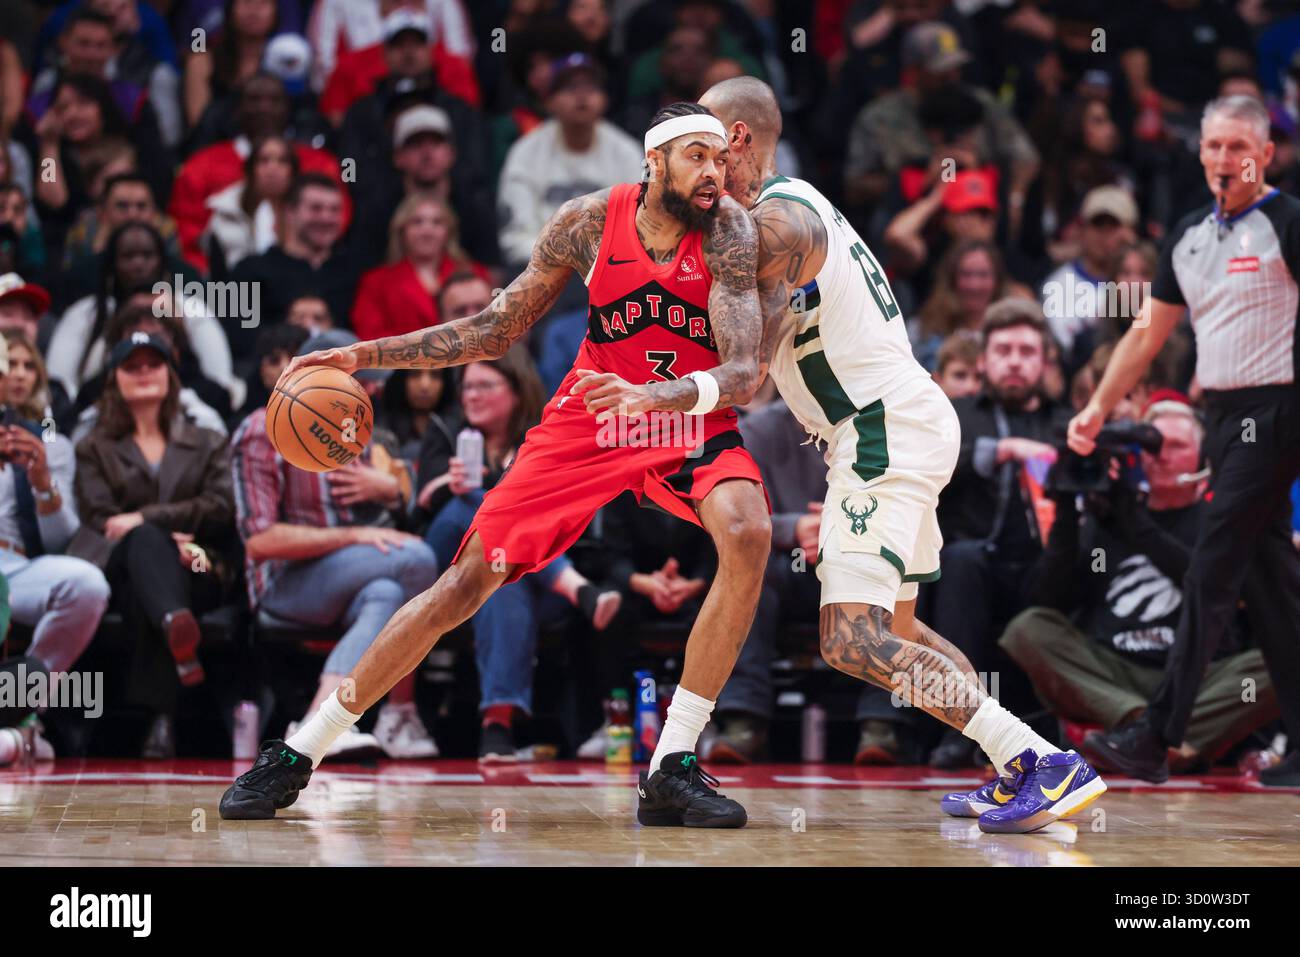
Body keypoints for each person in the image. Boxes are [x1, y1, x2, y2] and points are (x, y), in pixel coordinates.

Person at [221, 102, 771, 827]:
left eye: (717, 156)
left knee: (749, 530)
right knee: (464, 582)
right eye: (695, 157)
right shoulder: (586, 222)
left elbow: (743, 374)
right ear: (654, 163)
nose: (713, 172)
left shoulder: (729, 229)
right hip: (593, 415)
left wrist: (655, 395)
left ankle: (671, 765)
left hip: (681, 411)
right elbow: (492, 328)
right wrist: (365, 354)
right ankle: (302, 748)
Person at [699, 75, 1104, 833]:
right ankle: (1023, 764)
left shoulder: (778, 220)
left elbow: (745, 377)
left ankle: (1045, 760)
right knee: (903, 629)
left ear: (740, 140)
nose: (698, 166)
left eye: (705, 146)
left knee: (850, 638)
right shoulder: (792, 208)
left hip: (878, 429)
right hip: (902, 418)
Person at [1069, 95, 1300, 787]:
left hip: (1280, 408)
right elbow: (1146, 333)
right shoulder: (1190, 235)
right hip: (1224, 420)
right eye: (1214, 147)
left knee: (1211, 562)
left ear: (1265, 154)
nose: (1225, 159)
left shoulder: (1288, 220)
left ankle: (1156, 734)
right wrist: (1097, 408)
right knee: (1272, 585)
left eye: (1239, 147)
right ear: (1198, 153)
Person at [1004, 397, 1280, 772]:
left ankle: (1149, 737)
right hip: (1112, 674)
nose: (1161, 456)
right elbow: (1051, 598)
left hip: (1199, 677)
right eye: (1151, 447)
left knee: (1283, 654)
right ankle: (1154, 734)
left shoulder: (1221, 520)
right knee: (1028, 629)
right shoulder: (1110, 516)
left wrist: (1140, 528)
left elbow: (1216, 589)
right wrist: (1068, 513)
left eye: (1177, 446)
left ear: (1203, 457)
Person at [418, 349, 621, 760]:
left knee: (500, 581)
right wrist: (449, 482)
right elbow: (418, 504)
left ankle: (498, 726)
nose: (471, 396)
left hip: (515, 569)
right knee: (472, 505)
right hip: (443, 563)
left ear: (515, 390)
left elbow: (560, 512)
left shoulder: (541, 436)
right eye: (468, 387)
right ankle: (577, 588)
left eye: (485, 386)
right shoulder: (445, 429)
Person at [72, 332, 235, 757]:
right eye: (132, 366)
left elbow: (222, 507)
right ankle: (169, 694)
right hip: (124, 567)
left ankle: (156, 708)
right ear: (114, 379)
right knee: (145, 548)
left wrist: (149, 519)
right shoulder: (94, 447)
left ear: (170, 374)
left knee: (150, 549)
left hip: (198, 560)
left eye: (153, 364)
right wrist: (156, 533)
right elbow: (100, 518)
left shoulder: (208, 441)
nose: (144, 372)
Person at [0, 334, 110, 758]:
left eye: (30, 367)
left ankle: (24, 712)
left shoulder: (53, 445)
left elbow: (61, 539)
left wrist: (45, 485)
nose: (19, 375)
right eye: (10, 363)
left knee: (87, 583)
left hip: (15, 561)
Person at [350, 192, 490, 341]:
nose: (427, 231)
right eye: (417, 222)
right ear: (402, 229)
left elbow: (493, 325)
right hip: (401, 363)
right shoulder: (375, 282)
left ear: (449, 231)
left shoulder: (475, 273)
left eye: (437, 222)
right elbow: (370, 338)